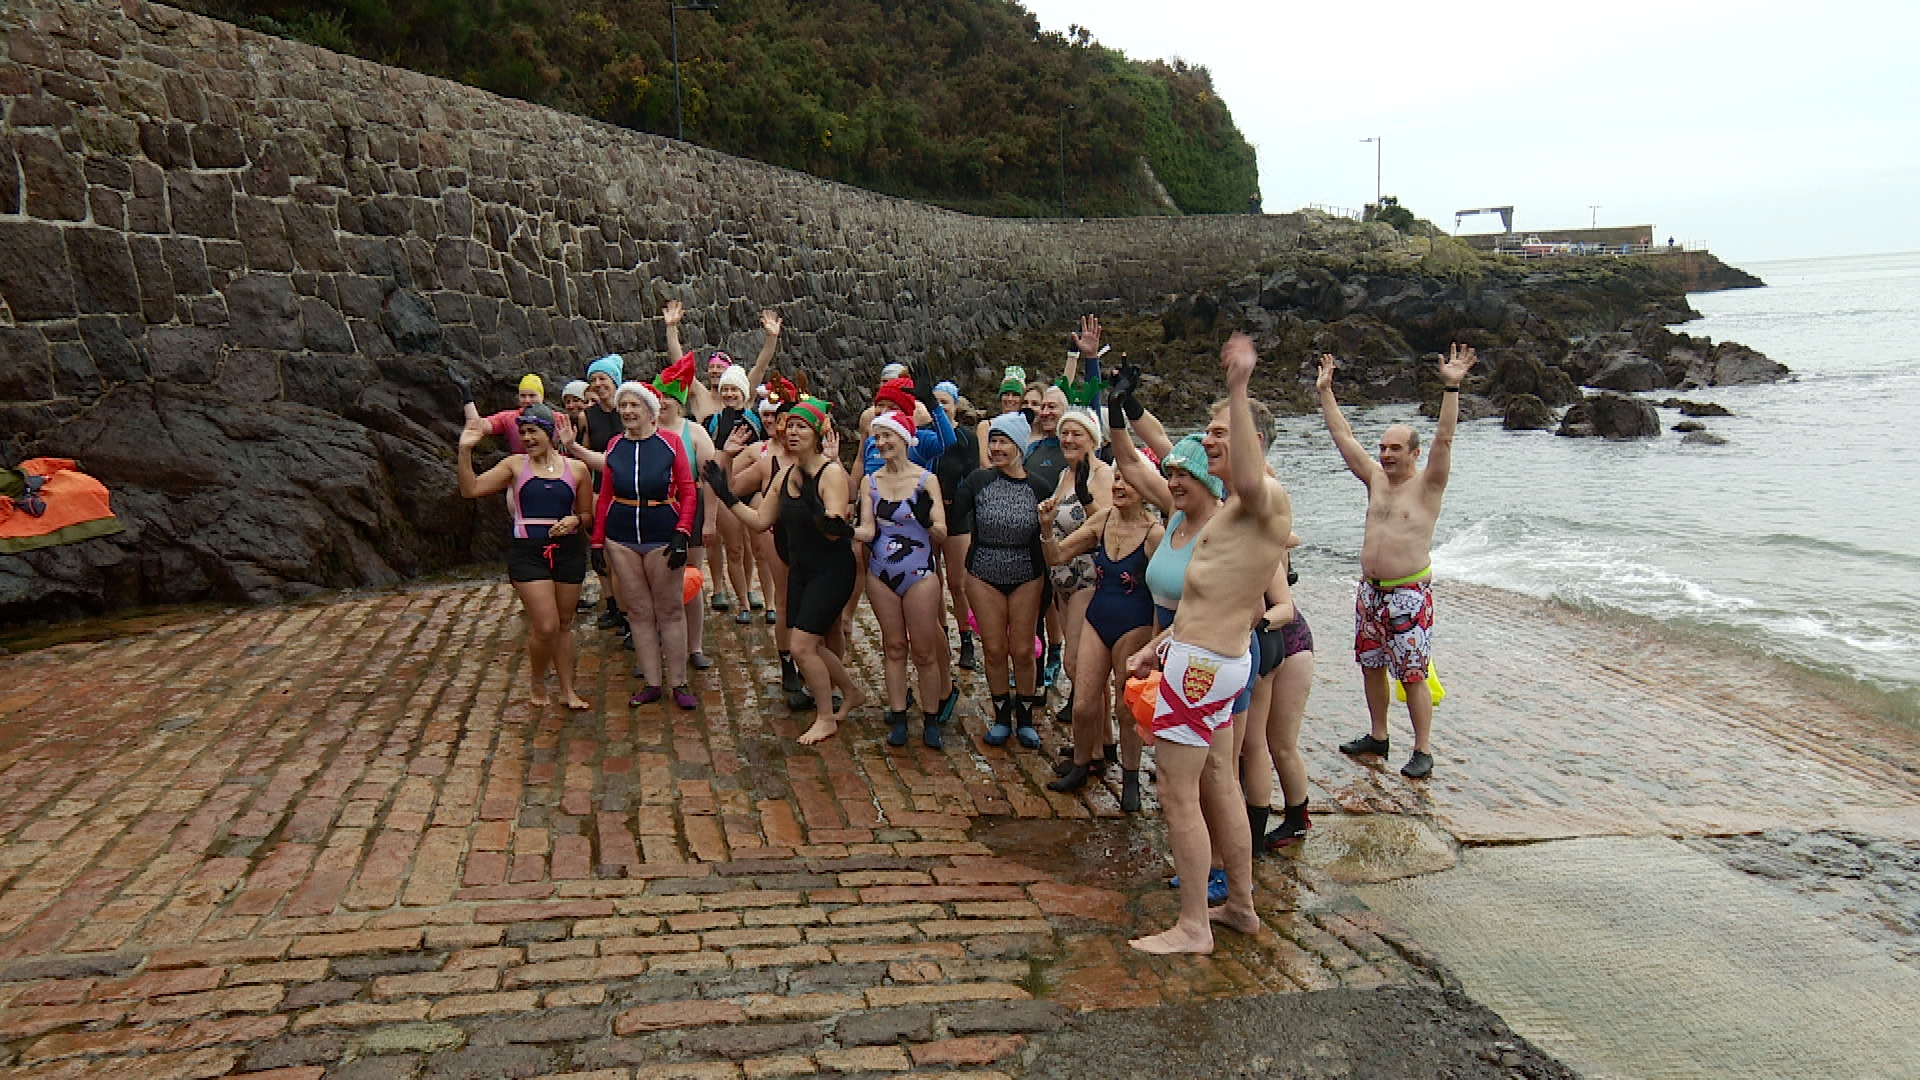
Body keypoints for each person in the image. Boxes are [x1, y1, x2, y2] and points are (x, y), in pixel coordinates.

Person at [1123, 333, 1291, 956]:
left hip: (1203, 670)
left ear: (1253, 440)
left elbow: (1248, 475)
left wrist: (1240, 387)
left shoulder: (1262, 496)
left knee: (1177, 791)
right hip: (1205, 658)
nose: (1210, 439)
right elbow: (1212, 601)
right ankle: (1240, 906)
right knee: (1214, 779)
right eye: (1211, 430)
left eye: (1223, 431)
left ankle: (1194, 925)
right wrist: (1159, 644)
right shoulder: (1233, 512)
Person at [1317, 346, 1476, 779]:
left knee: (1411, 673)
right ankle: (1378, 735)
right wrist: (1325, 393)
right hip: (1370, 592)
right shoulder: (1375, 480)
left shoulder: (1428, 485)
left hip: (1408, 593)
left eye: (1394, 449)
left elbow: (1444, 438)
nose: (1385, 455)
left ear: (1414, 454)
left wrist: (1451, 387)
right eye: (1383, 448)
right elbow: (1344, 438)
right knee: (1370, 665)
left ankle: (1423, 748)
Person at [707, 392, 866, 744]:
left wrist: (820, 510)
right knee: (811, 644)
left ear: (817, 433)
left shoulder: (832, 473)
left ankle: (826, 717)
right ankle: (851, 691)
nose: (792, 432)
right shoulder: (786, 473)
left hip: (832, 570)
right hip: (801, 570)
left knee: (801, 646)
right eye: (788, 425)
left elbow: (832, 530)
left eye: (801, 426)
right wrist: (727, 496)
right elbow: (761, 520)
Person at [456, 403, 595, 710]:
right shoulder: (515, 466)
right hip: (528, 552)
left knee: (564, 622)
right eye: (523, 433)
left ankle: (567, 689)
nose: (527, 439)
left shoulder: (577, 469)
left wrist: (575, 520)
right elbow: (471, 489)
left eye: (533, 432)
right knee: (545, 626)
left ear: (549, 433)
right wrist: (465, 451)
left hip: (568, 551)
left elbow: (587, 514)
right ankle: (536, 678)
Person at [575, 381, 699, 710]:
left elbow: (688, 491)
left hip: (662, 533)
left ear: (650, 410)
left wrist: (683, 532)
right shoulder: (615, 445)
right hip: (622, 535)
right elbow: (605, 498)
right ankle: (652, 682)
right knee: (639, 613)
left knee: (670, 610)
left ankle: (679, 682)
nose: (628, 411)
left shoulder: (671, 443)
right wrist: (598, 542)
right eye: (624, 406)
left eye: (635, 405)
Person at [1041, 467, 1161, 805]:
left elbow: (1164, 594)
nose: (1120, 486)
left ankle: (1131, 779)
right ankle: (1081, 765)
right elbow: (1057, 556)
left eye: (1128, 481)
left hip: (1134, 624)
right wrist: (1047, 527)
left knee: (1127, 708)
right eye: (1117, 479)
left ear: (1146, 490)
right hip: (1098, 618)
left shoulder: (1154, 534)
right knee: (1082, 704)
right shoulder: (1103, 519)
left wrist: (1155, 640)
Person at [855, 409, 957, 749]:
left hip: (919, 573)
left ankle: (931, 718)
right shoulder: (869, 482)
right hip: (882, 574)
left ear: (904, 439)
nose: (880, 442)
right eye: (877, 437)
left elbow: (941, 533)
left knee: (924, 651)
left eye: (887, 436)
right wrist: (844, 531)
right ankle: (899, 717)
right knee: (894, 647)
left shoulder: (926, 480)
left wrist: (928, 520)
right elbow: (869, 529)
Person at [952, 412, 1052, 750]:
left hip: (1026, 572)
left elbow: (1052, 531)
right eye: (992, 441)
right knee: (994, 649)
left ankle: (1025, 717)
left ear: (1019, 446)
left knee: (1023, 651)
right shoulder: (979, 481)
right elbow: (951, 515)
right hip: (984, 571)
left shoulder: (1038, 487)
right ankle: (1000, 717)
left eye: (1003, 442)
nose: (995, 448)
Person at [1041, 407, 1111, 724]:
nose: (1068, 440)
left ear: (1092, 440)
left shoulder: (1102, 474)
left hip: (1088, 576)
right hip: (1061, 579)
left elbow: (1107, 525)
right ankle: (1099, 739)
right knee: (1081, 662)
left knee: (1077, 662)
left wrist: (1085, 497)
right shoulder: (1062, 475)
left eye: (1076, 434)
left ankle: (1094, 740)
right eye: (1064, 433)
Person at [652, 353, 721, 671]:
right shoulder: (646, 430)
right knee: (653, 580)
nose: (662, 402)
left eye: (668, 397)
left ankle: (694, 646)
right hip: (654, 512)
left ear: (679, 400)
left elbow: (711, 480)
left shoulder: (694, 433)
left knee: (691, 579)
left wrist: (709, 521)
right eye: (658, 396)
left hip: (690, 511)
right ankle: (657, 644)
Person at [1250, 535, 1315, 849]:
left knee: (1281, 742)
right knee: (1251, 741)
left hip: (1291, 645)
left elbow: (1288, 536)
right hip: (1260, 646)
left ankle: (1297, 817)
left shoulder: (1264, 539)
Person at [704, 362, 765, 624]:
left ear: (744, 393)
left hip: (751, 490)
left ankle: (750, 589)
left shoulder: (756, 420)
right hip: (724, 488)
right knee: (735, 548)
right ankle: (741, 601)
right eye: (724, 389)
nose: (728, 394)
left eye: (733, 390)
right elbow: (708, 460)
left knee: (754, 547)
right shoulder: (713, 422)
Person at [930, 382, 980, 671]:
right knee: (931, 582)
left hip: (957, 515)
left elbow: (972, 476)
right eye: (935, 402)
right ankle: (940, 636)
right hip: (929, 516)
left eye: (945, 402)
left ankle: (967, 637)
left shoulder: (965, 437)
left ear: (955, 405)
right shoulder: (924, 436)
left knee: (958, 583)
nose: (940, 407)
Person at [581, 355, 629, 633]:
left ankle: (629, 609)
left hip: (628, 488)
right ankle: (612, 603)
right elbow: (584, 457)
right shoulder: (587, 417)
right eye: (594, 380)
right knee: (602, 551)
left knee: (624, 552)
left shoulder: (629, 410)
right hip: (600, 488)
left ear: (615, 381)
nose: (598, 384)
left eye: (603, 379)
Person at [447, 368, 546, 455]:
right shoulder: (509, 418)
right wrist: (466, 392)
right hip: (521, 470)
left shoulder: (557, 418)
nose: (527, 400)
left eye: (532, 396)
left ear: (542, 397)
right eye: (523, 396)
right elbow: (477, 425)